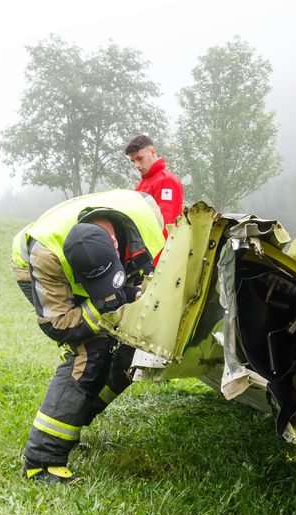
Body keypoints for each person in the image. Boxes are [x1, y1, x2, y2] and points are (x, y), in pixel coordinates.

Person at [11, 190, 167, 483]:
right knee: (90, 351)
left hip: (106, 251)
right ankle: (42, 460)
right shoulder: (46, 255)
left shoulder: (147, 220)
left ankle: (72, 420)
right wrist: (108, 304)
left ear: (116, 243)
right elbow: (59, 324)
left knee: (128, 347)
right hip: (40, 270)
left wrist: (134, 293)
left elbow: (153, 274)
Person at [125, 134, 183, 227]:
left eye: (140, 159)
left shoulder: (167, 181)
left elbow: (166, 224)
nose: (137, 165)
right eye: (133, 161)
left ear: (153, 152)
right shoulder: (140, 185)